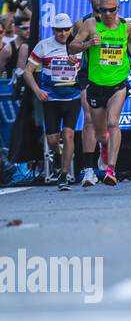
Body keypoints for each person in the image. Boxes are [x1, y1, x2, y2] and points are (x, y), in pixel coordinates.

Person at [65, 0, 131, 186]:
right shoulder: (90, 24)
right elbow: (72, 47)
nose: (107, 14)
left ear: (118, 8)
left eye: (111, 10)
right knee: (100, 133)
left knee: (113, 122)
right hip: (96, 83)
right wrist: (89, 43)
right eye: (103, 10)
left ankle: (111, 170)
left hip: (118, 82)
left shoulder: (126, 25)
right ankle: (103, 148)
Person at [24, 13, 81, 190]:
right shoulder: (44, 45)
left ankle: (63, 175)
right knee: (52, 139)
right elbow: (27, 71)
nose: (63, 34)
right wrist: (37, 91)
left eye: (66, 29)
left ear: (71, 29)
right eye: (58, 30)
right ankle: (59, 154)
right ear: (53, 30)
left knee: (69, 134)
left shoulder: (78, 46)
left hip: (73, 96)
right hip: (52, 98)